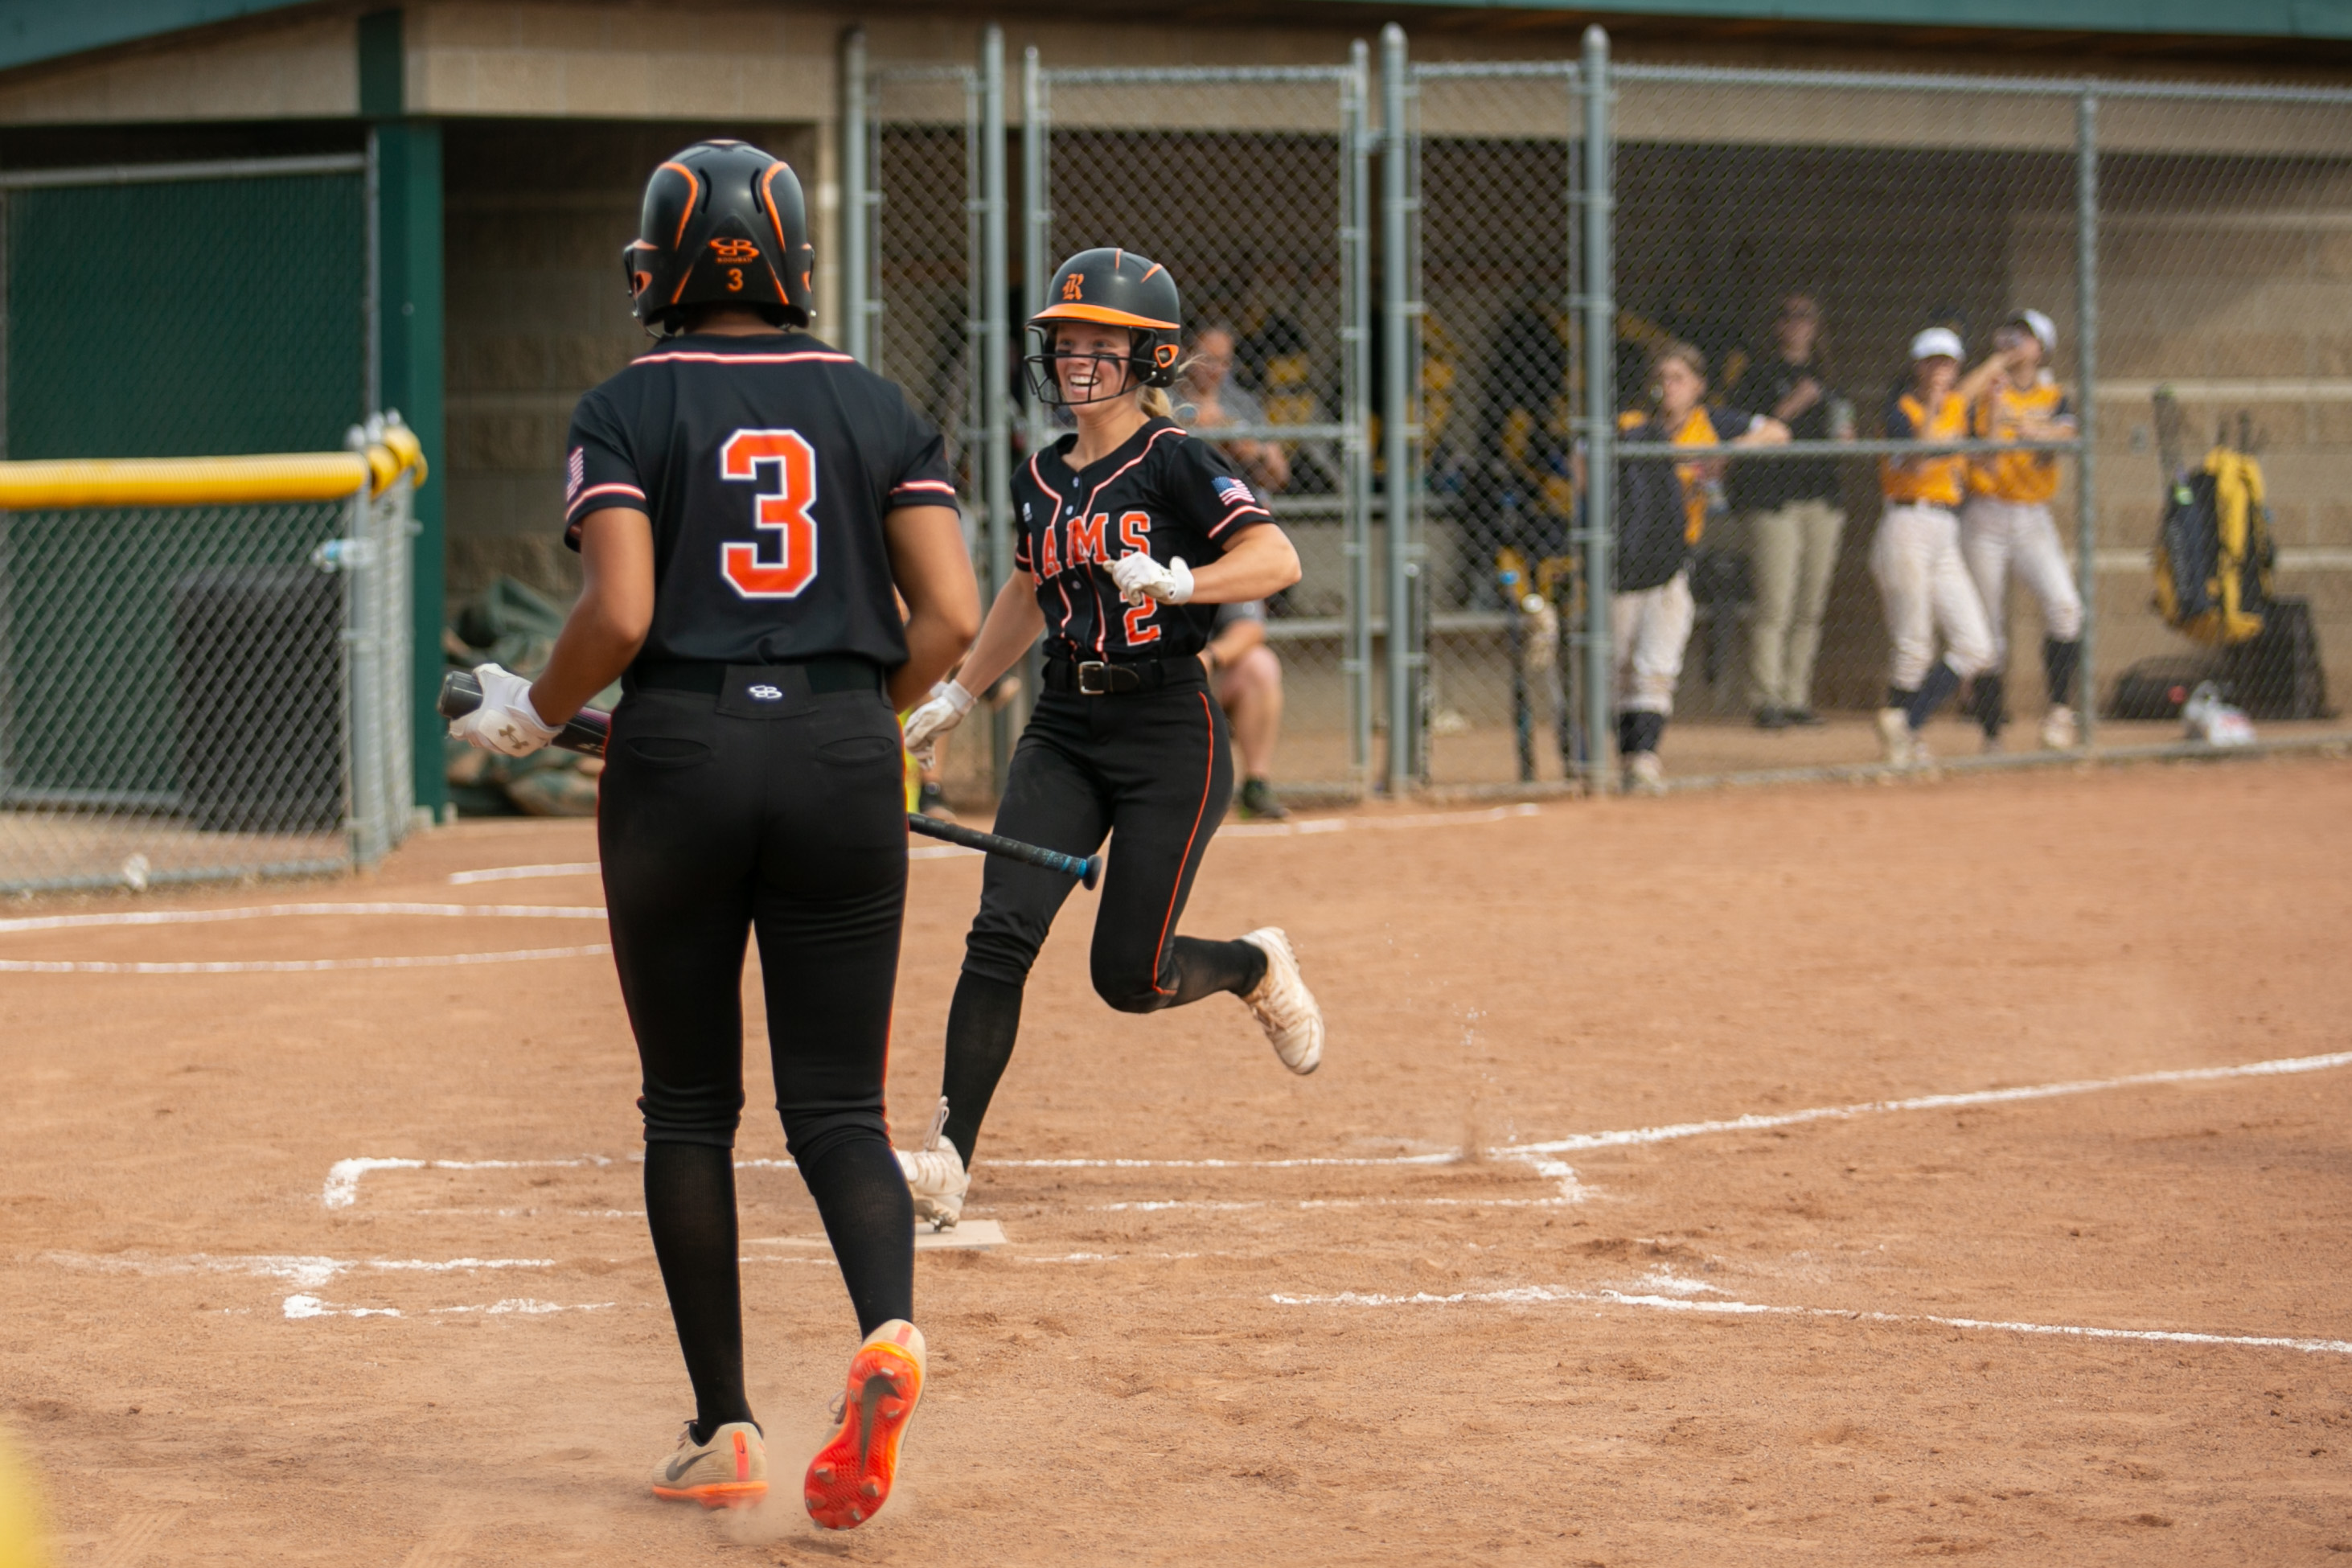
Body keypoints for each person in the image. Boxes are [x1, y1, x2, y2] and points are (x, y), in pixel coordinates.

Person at [448, 141, 980, 1530]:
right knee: (839, 1111)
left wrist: (530, 710)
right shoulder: (877, 405)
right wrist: (870, 719)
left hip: (676, 752)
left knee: (689, 1107)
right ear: (793, 262)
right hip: (843, 757)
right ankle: (887, 1334)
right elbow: (953, 621)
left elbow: (619, 616)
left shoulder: (623, 408)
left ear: (661, 269)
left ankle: (725, 1428)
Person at [893, 248, 1325, 1229]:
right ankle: (947, 1162)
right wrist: (960, 694)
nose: (1079, 360)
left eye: (1103, 345)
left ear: (1152, 358)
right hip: (1063, 727)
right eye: (1067, 343)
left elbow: (1275, 554)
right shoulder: (1041, 474)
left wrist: (1183, 582)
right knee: (999, 934)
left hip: (1170, 729)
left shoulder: (1175, 458)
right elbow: (1025, 586)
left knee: (1129, 978)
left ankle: (1256, 966)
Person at [1612, 341, 1788, 793]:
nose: (1669, 388)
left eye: (1679, 379)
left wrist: (1725, 452)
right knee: (1617, 662)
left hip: (1676, 556)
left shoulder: (1709, 424)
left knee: (1658, 662)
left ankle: (1643, 759)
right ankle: (1612, 756)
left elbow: (1777, 432)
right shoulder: (1633, 426)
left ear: (1698, 387)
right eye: (1663, 378)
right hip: (1626, 559)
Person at [1872, 326, 2013, 767]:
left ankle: (1905, 722)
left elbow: (1988, 459)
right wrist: (1934, 410)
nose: (1940, 370)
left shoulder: (1958, 409)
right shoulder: (1900, 411)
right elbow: (1918, 459)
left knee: (1977, 645)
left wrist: (1994, 406)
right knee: (1914, 645)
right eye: (1932, 361)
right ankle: (1902, 740)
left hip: (1945, 529)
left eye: (1948, 363)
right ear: (1916, 366)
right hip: (1906, 523)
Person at [1726, 294, 1852, 729]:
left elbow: (1840, 428)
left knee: (1809, 605)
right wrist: (1792, 405)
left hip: (1821, 497)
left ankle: (1796, 696)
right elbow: (1747, 429)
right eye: (1789, 315)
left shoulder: (1828, 377)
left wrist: (1845, 437)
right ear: (1776, 325)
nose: (1797, 324)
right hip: (1773, 499)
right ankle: (1766, 698)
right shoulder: (1757, 374)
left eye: (1806, 316)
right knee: (1775, 602)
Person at [1963, 309, 2085, 751]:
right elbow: (1961, 401)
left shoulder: (2053, 392)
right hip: (1987, 513)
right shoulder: (1989, 387)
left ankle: (2058, 713)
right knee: (1988, 631)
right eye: (2011, 333)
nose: (2016, 342)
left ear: (2042, 347)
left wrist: (2035, 428)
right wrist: (1997, 372)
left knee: (2066, 607)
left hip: (2033, 516)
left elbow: (2066, 435)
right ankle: (1991, 733)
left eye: (2027, 337)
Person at [1177, 323, 1290, 495]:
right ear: (1187, 354)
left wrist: (1256, 453)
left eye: (1224, 362)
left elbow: (1279, 477)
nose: (1215, 370)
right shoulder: (1166, 398)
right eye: (1208, 360)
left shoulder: (1243, 403)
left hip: (1233, 495)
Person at [1204, 598, 1287, 819]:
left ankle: (1255, 784)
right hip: (1150, 678)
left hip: (1206, 673)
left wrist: (1208, 657)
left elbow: (1250, 629)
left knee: (1260, 664)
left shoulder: (1221, 564)